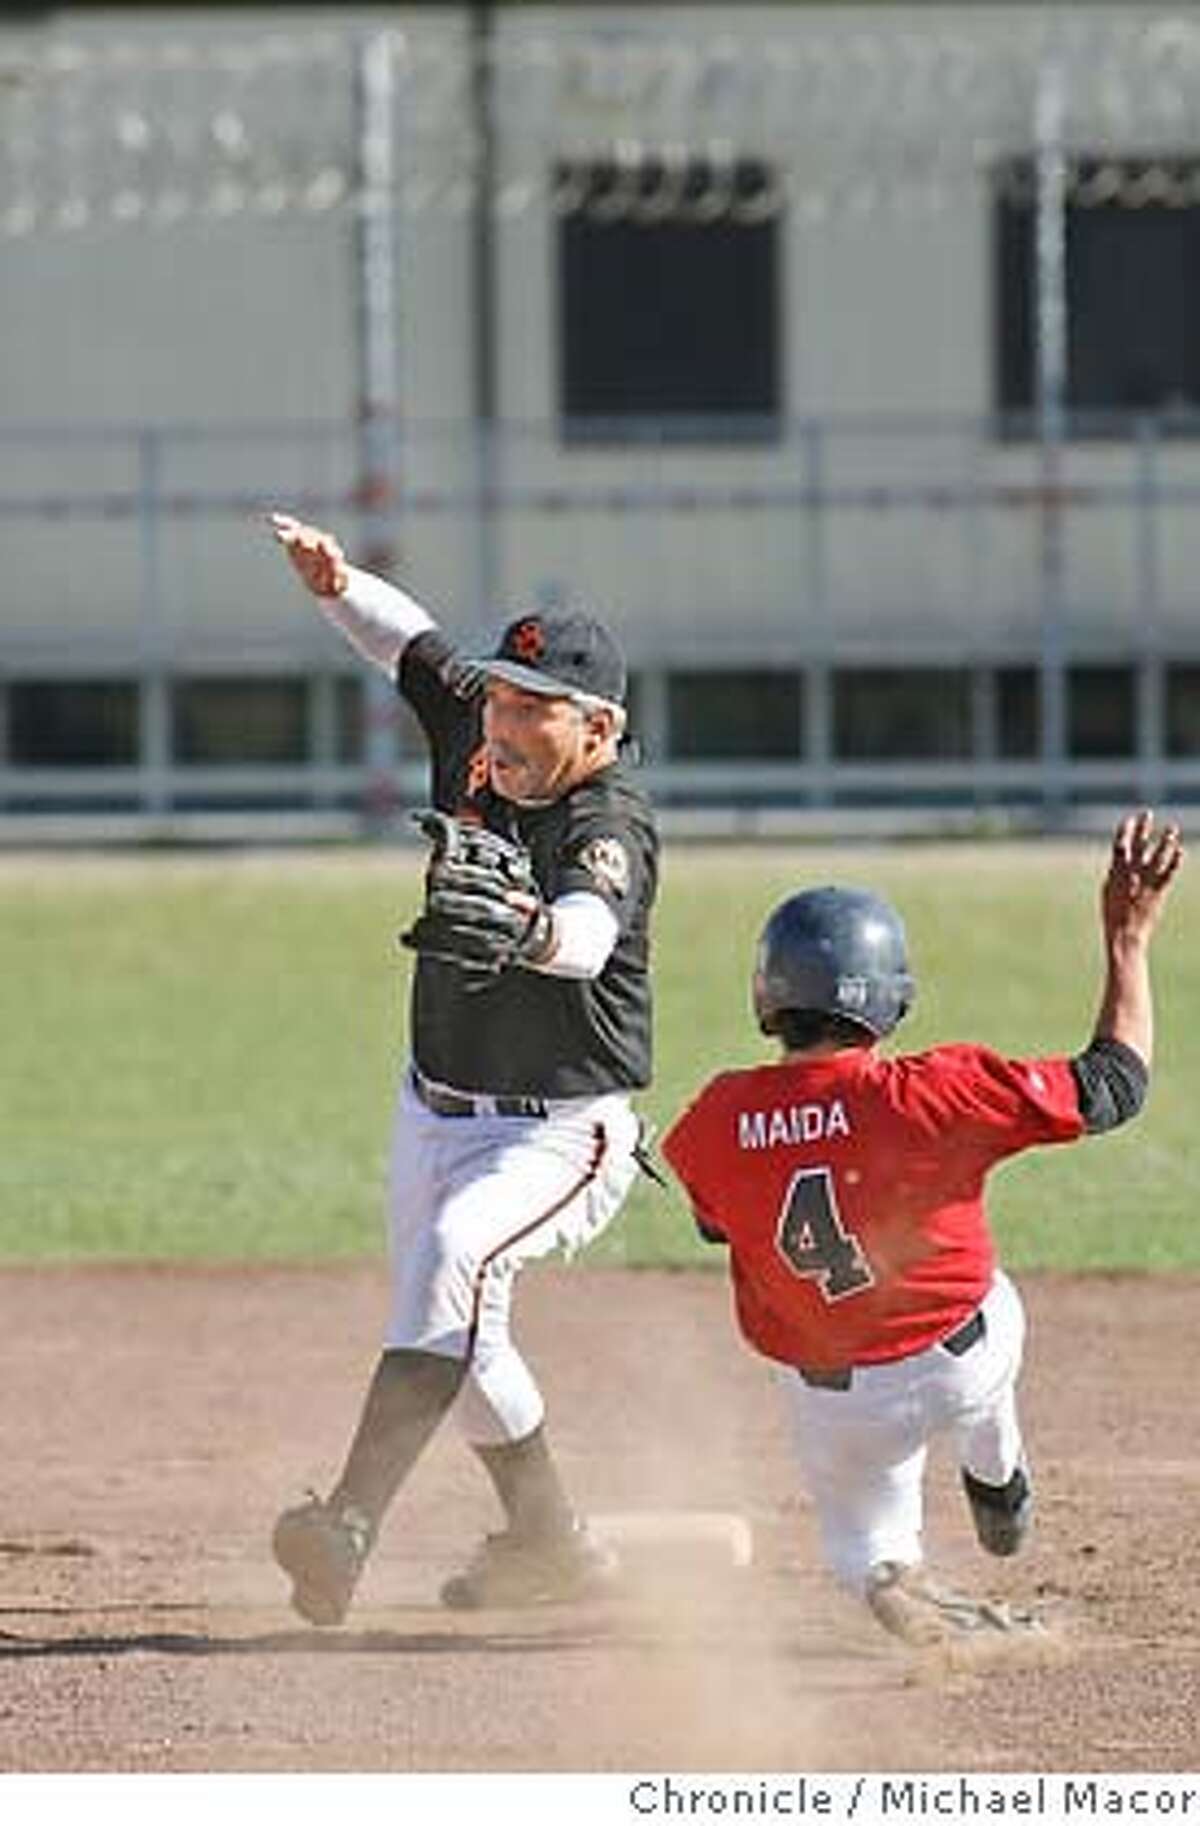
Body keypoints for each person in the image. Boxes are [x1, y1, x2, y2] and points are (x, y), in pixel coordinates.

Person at [660, 810, 1183, 1647]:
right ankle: (995, 1468)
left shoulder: (712, 1121)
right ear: (890, 995)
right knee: (991, 1317)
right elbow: (1116, 1084)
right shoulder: (935, 1092)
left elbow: (714, 1227)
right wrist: (1129, 940)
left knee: (866, 1538)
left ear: (768, 996)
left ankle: (889, 1572)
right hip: (958, 1357)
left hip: (833, 1399)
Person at [266, 512, 658, 1622]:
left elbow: (584, 931)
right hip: (430, 1103)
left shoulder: (608, 814)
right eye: (502, 694)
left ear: (597, 725)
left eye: (535, 705)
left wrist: (532, 930)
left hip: (560, 1130)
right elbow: (412, 643)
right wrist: (337, 583)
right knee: (451, 1316)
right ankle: (548, 1539)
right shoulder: (480, 734)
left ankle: (346, 1523)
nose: (507, 716)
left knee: (451, 1265)